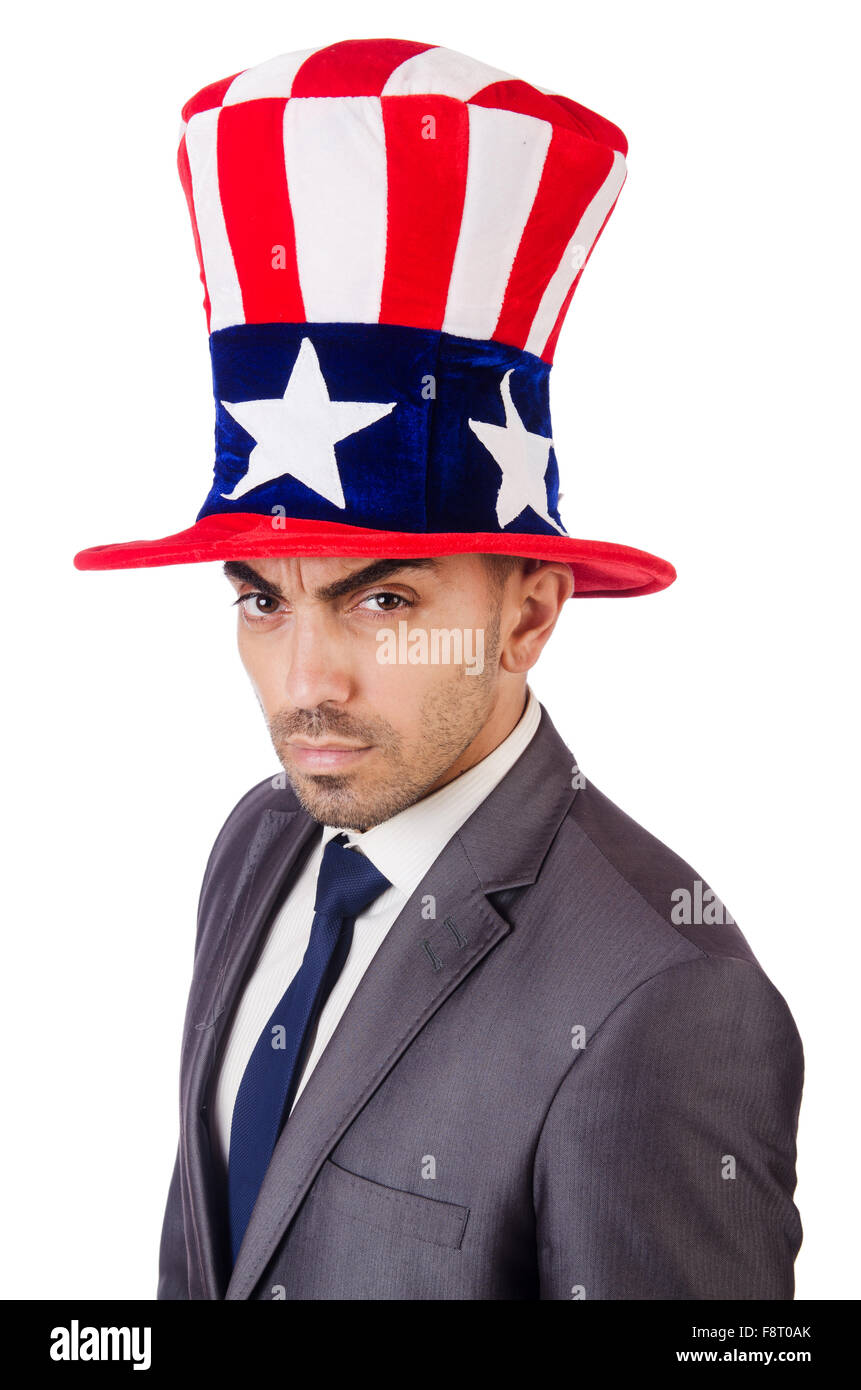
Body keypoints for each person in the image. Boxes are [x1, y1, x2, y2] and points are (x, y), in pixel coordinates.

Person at [74, 37, 803, 1301]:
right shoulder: (260, 844)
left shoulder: (668, 1003)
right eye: (260, 597)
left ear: (528, 616)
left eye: (384, 600)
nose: (307, 682)